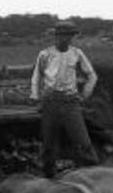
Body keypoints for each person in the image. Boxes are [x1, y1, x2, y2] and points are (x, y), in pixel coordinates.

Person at [30, 20, 100, 176]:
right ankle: (49, 177)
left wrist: (84, 95)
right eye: (63, 35)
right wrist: (35, 97)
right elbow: (37, 76)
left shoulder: (77, 53)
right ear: (57, 36)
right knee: (49, 144)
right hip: (50, 103)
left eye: (70, 36)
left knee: (82, 141)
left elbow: (91, 75)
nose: (66, 39)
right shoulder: (45, 54)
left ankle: (93, 175)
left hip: (70, 102)